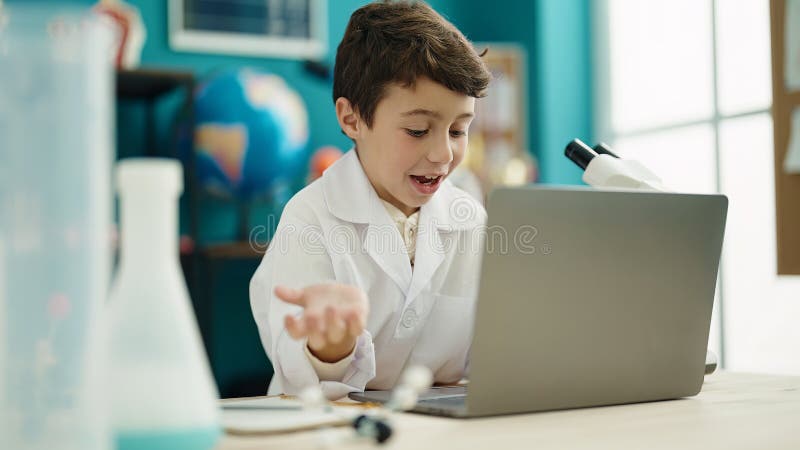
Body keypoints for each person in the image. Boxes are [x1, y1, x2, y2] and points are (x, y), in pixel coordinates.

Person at [250, 0, 491, 400]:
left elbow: (489, 354)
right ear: (352, 119)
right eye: (417, 130)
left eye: (458, 130)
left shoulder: (470, 219)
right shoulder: (310, 218)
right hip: (333, 426)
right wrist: (332, 345)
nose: (443, 155)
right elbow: (298, 373)